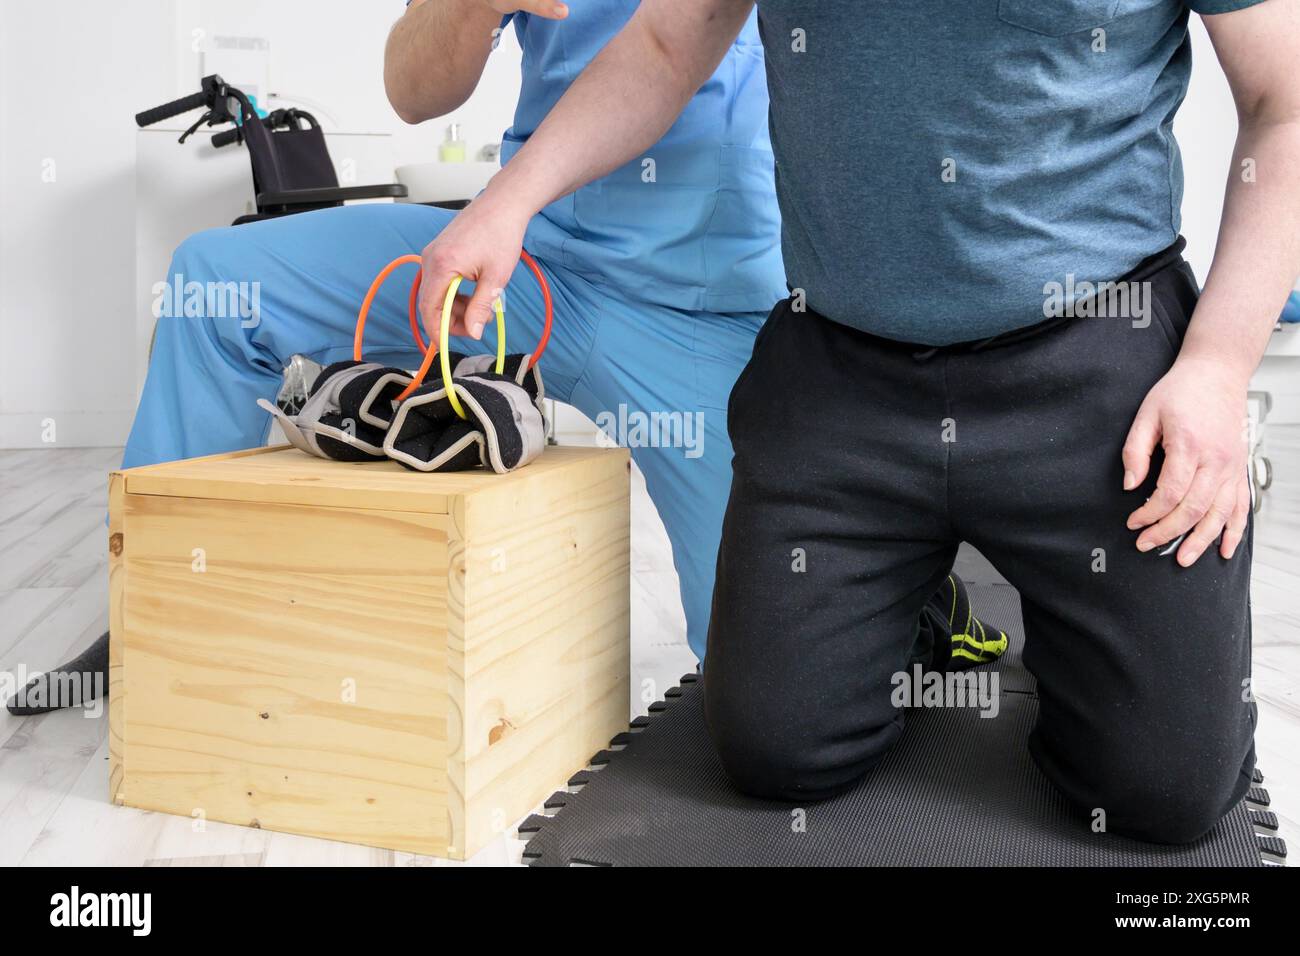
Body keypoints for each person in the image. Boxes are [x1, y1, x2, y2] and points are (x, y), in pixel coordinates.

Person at [410, 0, 1300, 843]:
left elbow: (1284, 102)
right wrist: (506, 202)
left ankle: (1099, 622)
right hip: (841, 367)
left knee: (1163, 794)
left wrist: (1217, 370)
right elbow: (665, 45)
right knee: (775, 750)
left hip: (1098, 363)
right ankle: (915, 592)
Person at [7, 0, 1005, 715]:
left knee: (761, 680)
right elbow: (409, 85)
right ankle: (153, 617)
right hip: (526, 260)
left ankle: (920, 600)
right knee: (217, 283)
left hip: (714, 314)